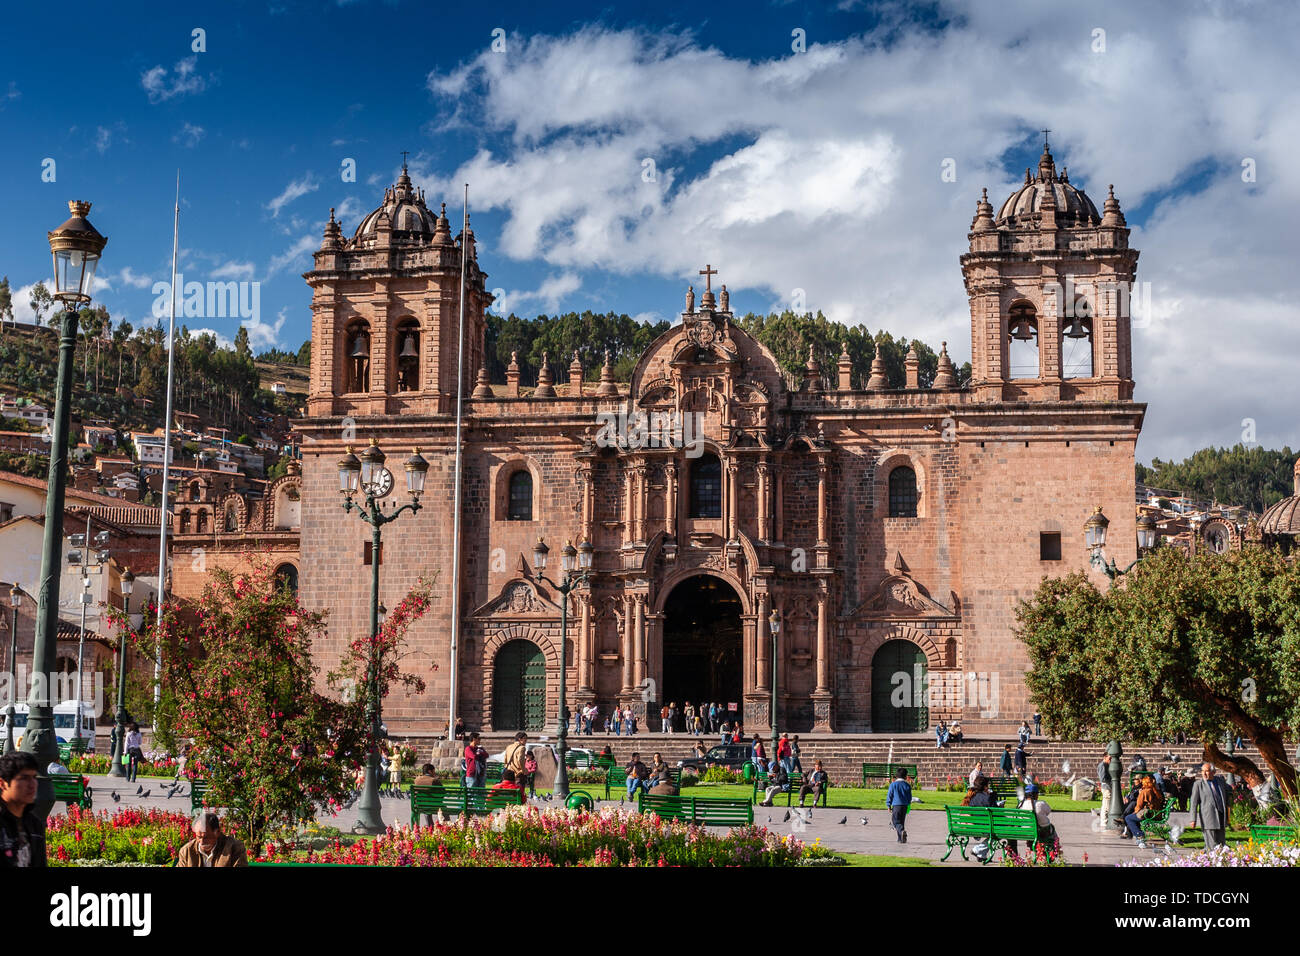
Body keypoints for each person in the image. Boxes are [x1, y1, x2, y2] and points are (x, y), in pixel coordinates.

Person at [0, 752, 44, 869]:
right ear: (3, 784)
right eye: (23, 778)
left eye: (34, 777)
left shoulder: (35, 825)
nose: (32, 784)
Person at [177, 812, 248, 867]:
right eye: (199, 837)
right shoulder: (187, 851)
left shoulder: (234, 848)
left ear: (217, 832)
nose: (202, 842)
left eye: (206, 837)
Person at [1188, 762, 1229, 851]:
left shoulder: (1220, 782)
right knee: (1211, 844)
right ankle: (1210, 860)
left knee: (1221, 844)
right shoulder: (1198, 784)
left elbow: (1226, 797)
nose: (1204, 773)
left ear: (1213, 772)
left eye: (1206, 771)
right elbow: (1193, 803)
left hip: (1221, 815)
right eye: (1202, 771)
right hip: (1208, 817)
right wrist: (1192, 819)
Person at [1124, 775, 1163, 849]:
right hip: (1157, 813)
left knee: (1128, 818)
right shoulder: (1155, 790)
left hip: (1149, 814)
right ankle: (1139, 835)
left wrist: (1135, 812)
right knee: (1134, 818)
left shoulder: (1145, 792)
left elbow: (1139, 805)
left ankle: (1139, 835)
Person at [886, 768, 912, 843]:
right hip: (904, 806)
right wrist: (908, 803)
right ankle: (900, 839)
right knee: (901, 822)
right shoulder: (907, 785)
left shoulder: (893, 785)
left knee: (895, 821)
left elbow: (890, 795)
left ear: (896, 776)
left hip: (896, 805)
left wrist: (888, 805)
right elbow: (909, 797)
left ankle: (901, 832)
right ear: (905, 776)